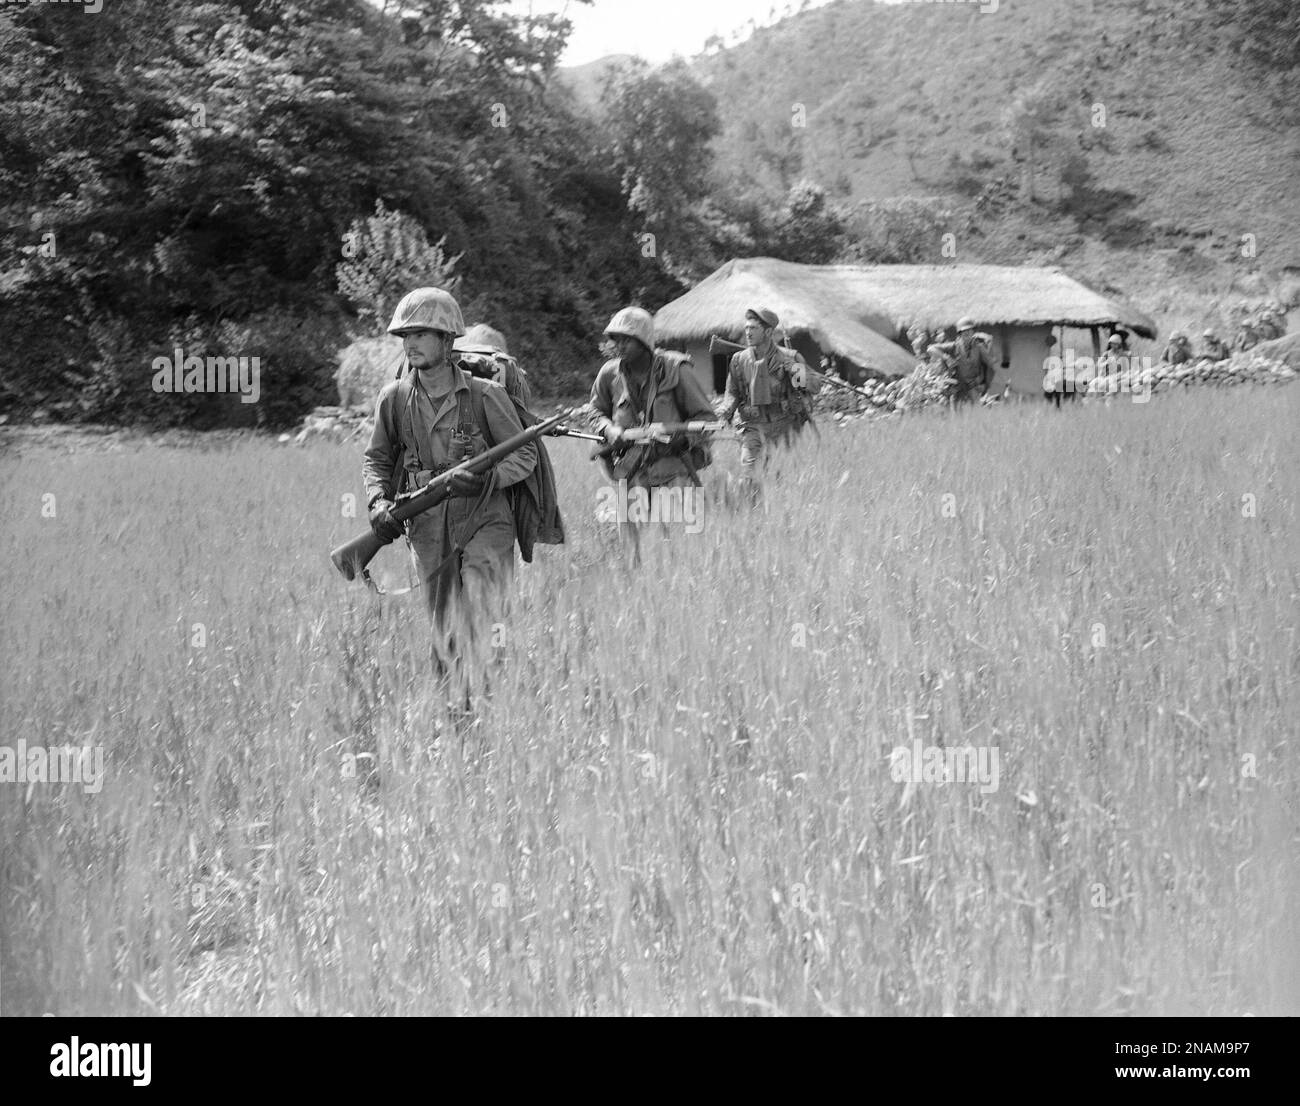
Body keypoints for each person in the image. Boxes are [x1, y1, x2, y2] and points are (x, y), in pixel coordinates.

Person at [363, 287, 537, 705]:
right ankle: (453, 714)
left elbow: (525, 454)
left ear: (447, 339)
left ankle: (492, 704)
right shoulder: (395, 399)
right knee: (443, 626)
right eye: (406, 335)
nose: (411, 343)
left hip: (484, 517)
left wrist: (486, 479)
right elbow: (377, 460)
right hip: (425, 523)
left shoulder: (485, 395)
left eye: (422, 333)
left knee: (482, 606)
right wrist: (378, 503)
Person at [585, 306, 715, 553]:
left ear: (643, 341)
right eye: (617, 340)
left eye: (627, 340)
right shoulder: (609, 374)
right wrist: (609, 429)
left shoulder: (676, 370)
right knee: (634, 552)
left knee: (678, 550)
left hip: (673, 473)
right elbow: (595, 411)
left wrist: (684, 440)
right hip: (631, 474)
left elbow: (706, 418)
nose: (619, 346)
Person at [714, 306, 812, 504]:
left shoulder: (790, 358)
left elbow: (807, 388)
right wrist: (724, 412)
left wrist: (794, 371)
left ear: (768, 332)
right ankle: (752, 517)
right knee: (749, 475)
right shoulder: (738, 360)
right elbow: (732, 392)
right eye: (747, 327)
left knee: (780, 479)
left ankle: (782, 517)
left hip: (783, 427)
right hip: (753, 427)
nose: (748, 332)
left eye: (754, 328)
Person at [927, 317, 995, 404]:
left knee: (977, 409)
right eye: (964, 331)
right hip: (958, 386)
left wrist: (985, 385)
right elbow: (931, 349)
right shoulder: (954, 346)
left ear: (973, 332)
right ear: (960, 333)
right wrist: (946, 357)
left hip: (973, 386)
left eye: (970, 331)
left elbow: (990, 365)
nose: (967, 333)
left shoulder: (979, 347)